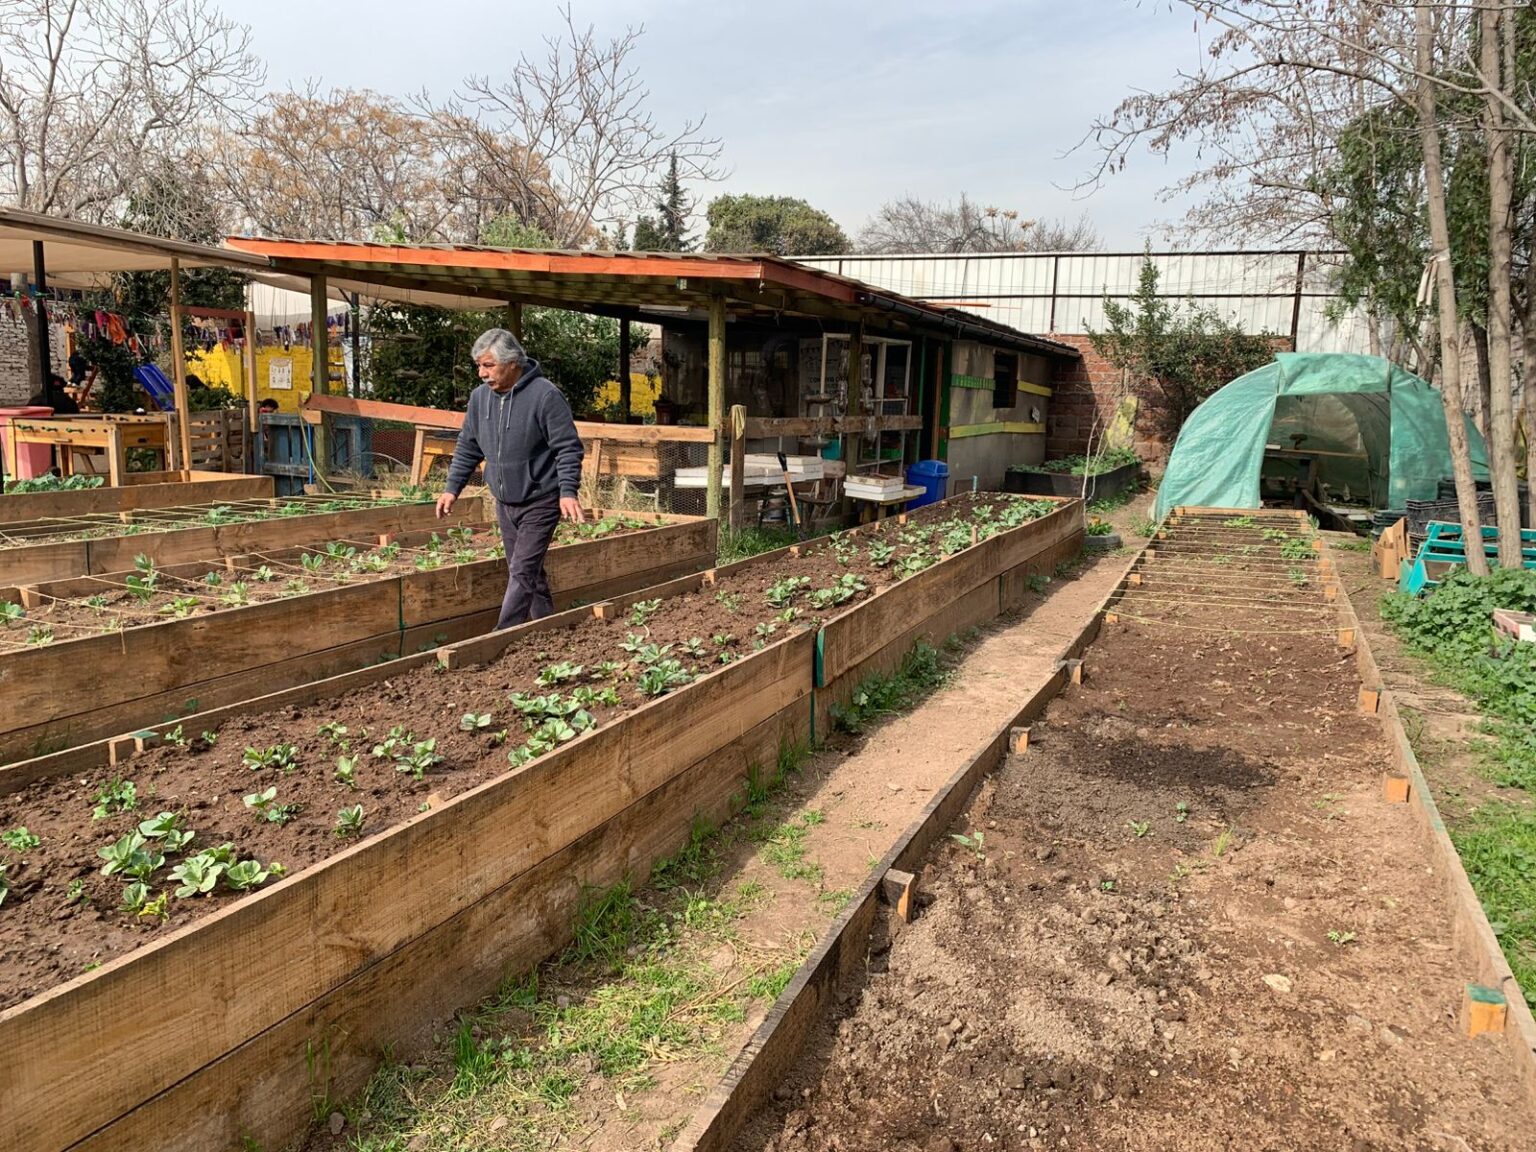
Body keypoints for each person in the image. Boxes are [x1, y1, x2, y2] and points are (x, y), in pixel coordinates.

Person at [436, 329, 585, 630]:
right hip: (505, 502)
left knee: (521, 569)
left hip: (541, 498)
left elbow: (567, 447)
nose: (481, 373)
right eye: (479, 365)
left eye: (488, 365)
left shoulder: (545, 396)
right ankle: (547, 628)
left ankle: (501, 636)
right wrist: (452, 488)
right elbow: (469, 445)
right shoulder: (480, 399)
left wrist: (567, 491)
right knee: (529, 571)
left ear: (513, 362)